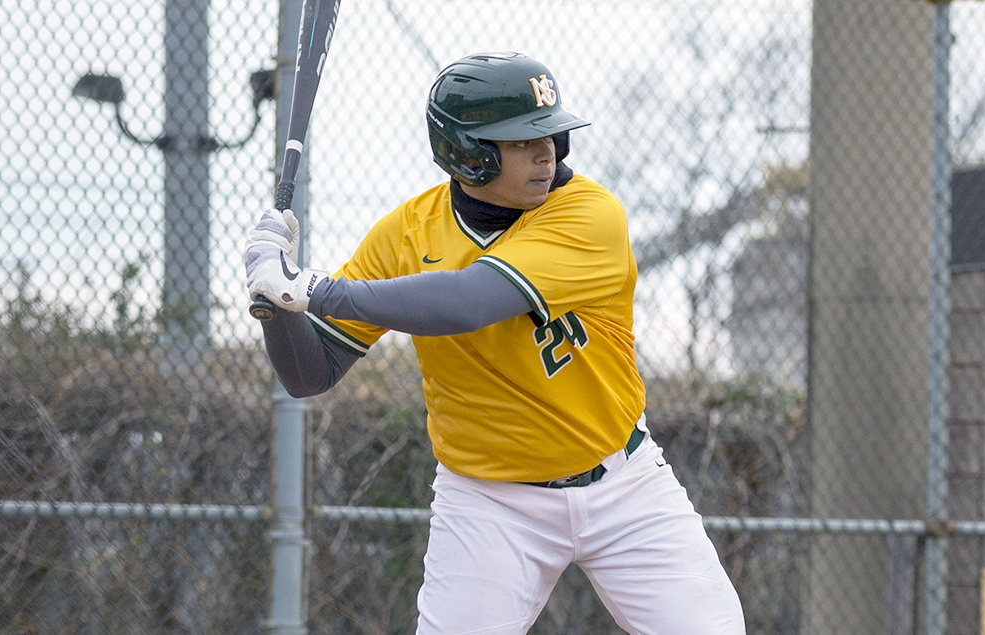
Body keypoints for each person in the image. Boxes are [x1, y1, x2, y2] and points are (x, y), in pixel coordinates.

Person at [244, 51, 745, 635]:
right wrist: (272, 301)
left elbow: (467, 301)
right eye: (522, 141)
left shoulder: (589, 212)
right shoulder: (404, 236)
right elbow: (309, 374)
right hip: (490, 504)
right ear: (467, 154)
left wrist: (313, 289)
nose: (548, 152)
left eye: (552, 133)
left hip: (624, 486)